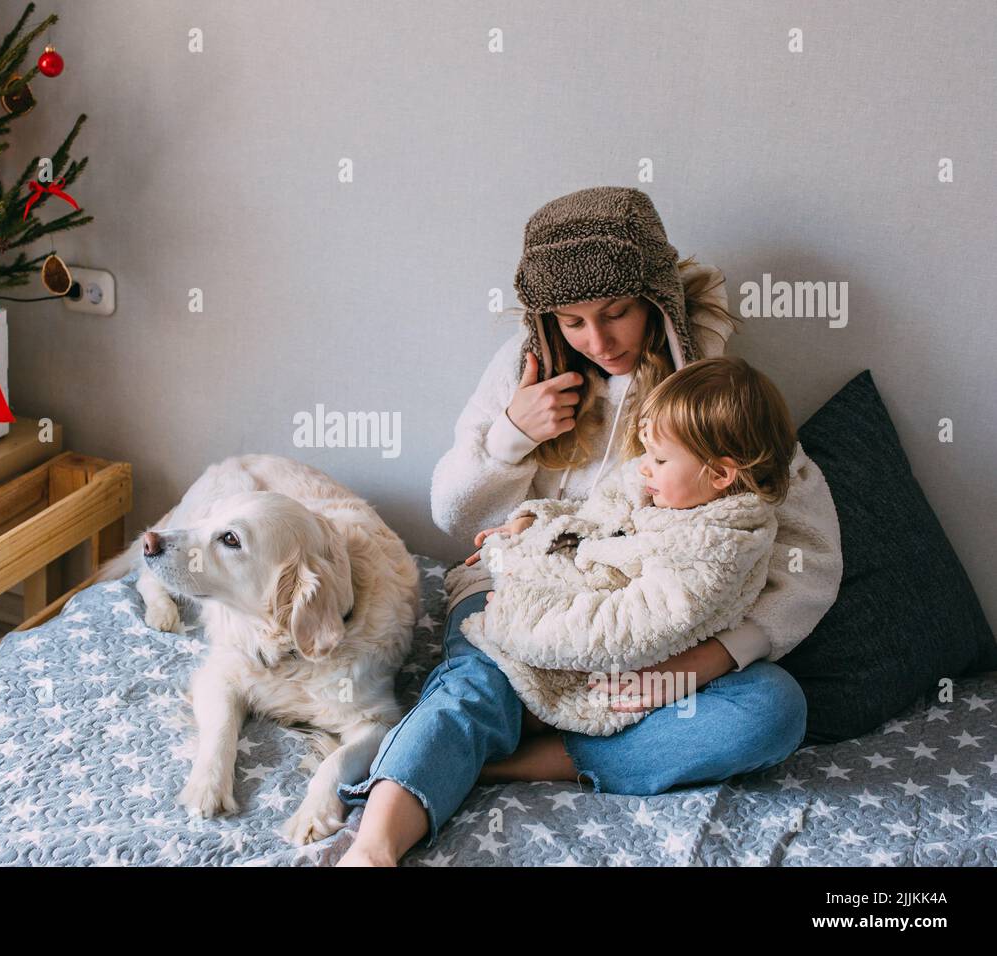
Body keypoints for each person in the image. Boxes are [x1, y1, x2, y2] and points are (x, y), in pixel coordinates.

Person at [335, 186, 843, 867]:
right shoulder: (521, 368)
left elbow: (810, 550)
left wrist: (706, 661)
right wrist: (512, 436)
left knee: (772, 711)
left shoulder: (710, 395)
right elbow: (455, 517)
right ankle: (372, 848)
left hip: (643, 631)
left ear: (659, 301)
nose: (598, 341)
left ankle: (523, 757)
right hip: (520, 590)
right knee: (471, 688)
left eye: (617, 314)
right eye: (572, 321)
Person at [462, 356, 798, 739]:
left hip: (590, 659)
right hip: (540, 608)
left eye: (659, 459)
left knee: (770, 707)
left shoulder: (713, 548)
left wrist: (515, 615)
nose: (644, 467)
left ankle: (536, 756)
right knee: (466, 685)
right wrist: (533, 525)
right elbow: (590, 518)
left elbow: (619, 632)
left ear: (720, 474)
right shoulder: (656, 487)